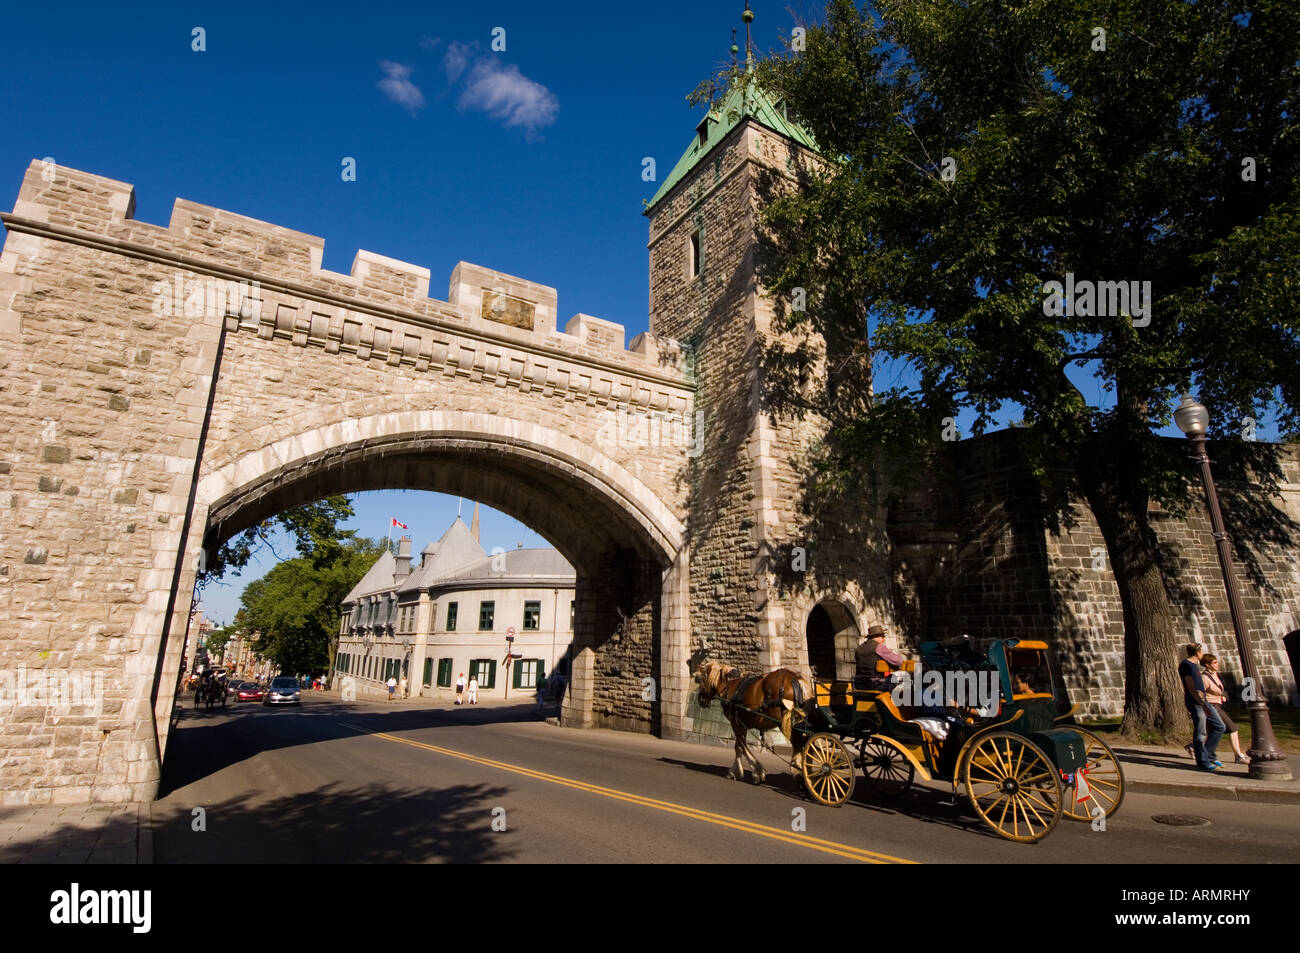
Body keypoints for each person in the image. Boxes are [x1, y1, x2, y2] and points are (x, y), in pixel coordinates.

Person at [1179, 643, 1224, 771]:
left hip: (1203, 702)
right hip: (1197, 703)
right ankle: (1203, 761)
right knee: (1201, 732)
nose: (1203, 654)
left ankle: (1209, 754)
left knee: (1219, 726)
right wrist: (1199, 701)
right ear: (1197, 653)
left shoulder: (1194, 665)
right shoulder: (1186, 665)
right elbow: (1190, 686)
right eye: (1201, 651)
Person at [1202, 654, 1249, 764]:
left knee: (1213, 730)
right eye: (1214, 662)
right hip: (1211, 706)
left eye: (1217, 662)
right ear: (1207, 665)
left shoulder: (1214, 675)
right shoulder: (1204, 677)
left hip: (1217, 705)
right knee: (1232, 727)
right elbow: (1200, 693)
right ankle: (1238, 755)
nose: (1217, 664)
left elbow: (1218, 688)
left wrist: (1221, 696)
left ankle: (1193, 747)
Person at [854, 624, 904, 690]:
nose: (883, 639)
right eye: (882, 637)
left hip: (859, 684)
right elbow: (898, 661)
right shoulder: (879, 647)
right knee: (893, 678)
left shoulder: (859, 648)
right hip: (874, 684)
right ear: (877, 636)